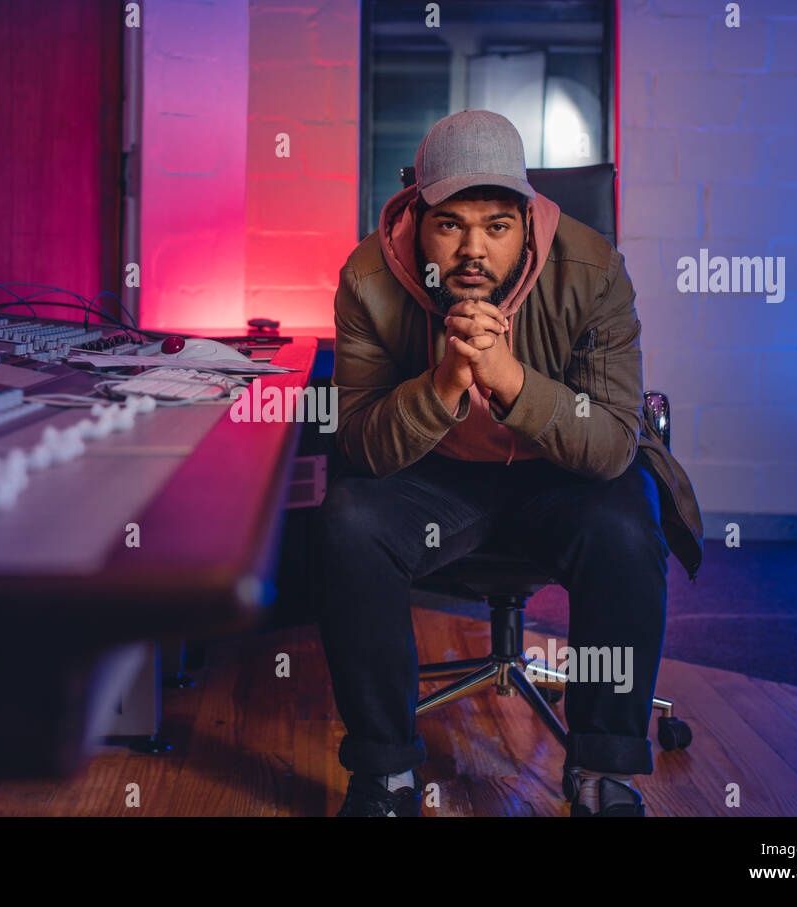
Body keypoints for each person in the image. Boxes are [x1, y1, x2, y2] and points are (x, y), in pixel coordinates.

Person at [316, 109, 703, 817]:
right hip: (433, 478)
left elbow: (615, 440)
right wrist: (439, 388)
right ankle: (386, 773)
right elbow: (361, 443)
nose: (473, 249)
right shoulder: (369, 277)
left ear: (527, 223)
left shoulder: (592, 270)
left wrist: (511, 379)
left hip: (559, 478)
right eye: (451, 224)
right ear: (415, 215)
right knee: (347, 521)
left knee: (626, 522)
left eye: (496, 225)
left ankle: (600, 770)